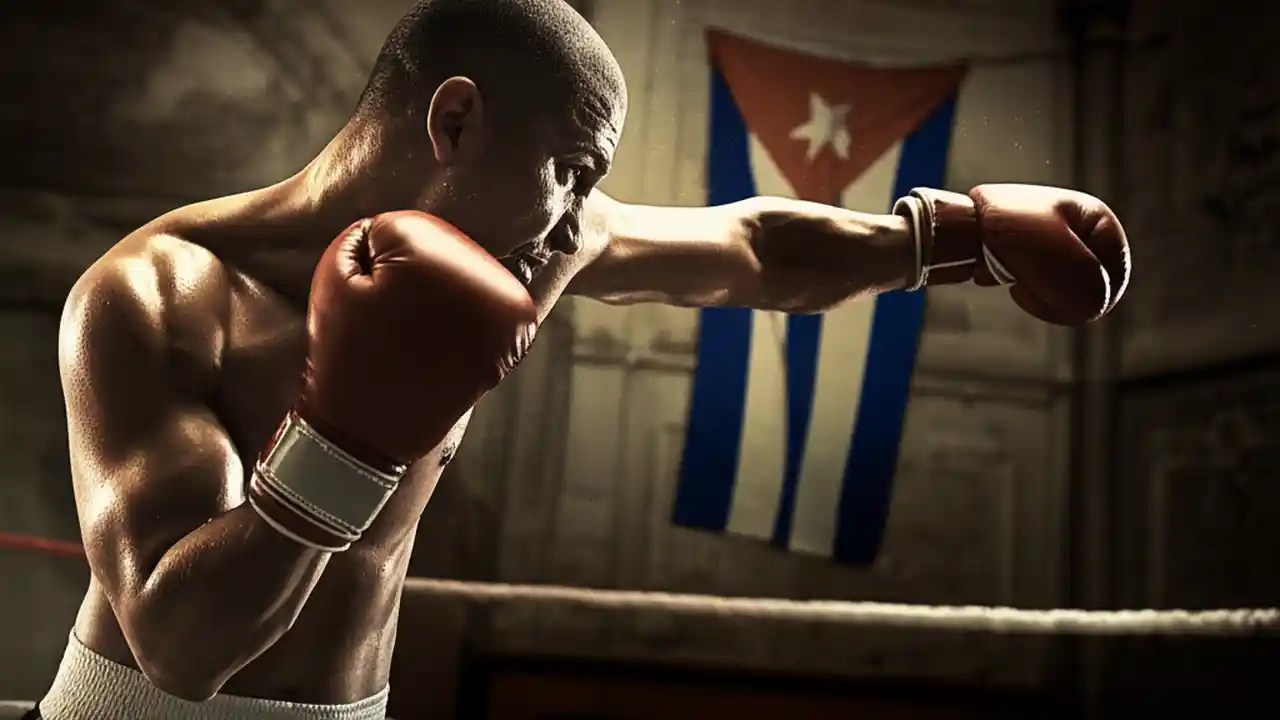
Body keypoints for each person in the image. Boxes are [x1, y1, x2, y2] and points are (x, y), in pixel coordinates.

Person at [30, 0, 1130, 718]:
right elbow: (180, 647)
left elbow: (749, 247)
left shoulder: (549, 231)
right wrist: (344, 439)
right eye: (568, 167)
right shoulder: (159, 291)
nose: (576, 219)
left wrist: (955, 242)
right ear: (453, 121)